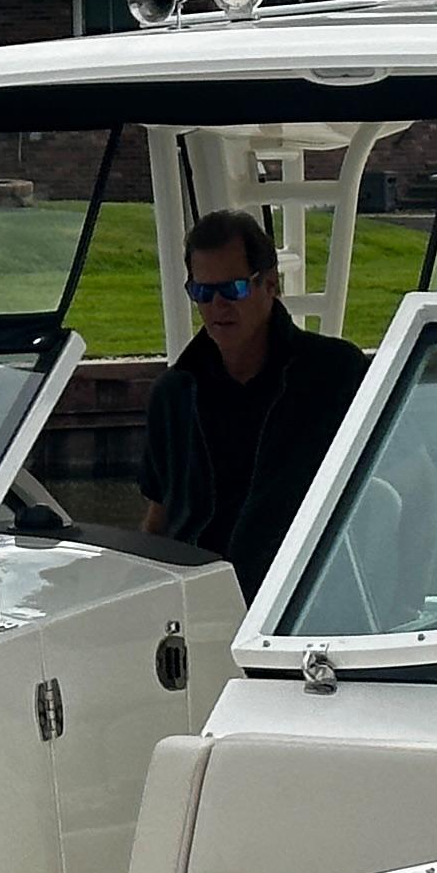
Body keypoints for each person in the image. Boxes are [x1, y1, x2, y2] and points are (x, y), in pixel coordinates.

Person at [138, 209, 369, 591]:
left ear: (270, 285)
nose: (216, 306)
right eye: (202, 292)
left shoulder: (336, 374)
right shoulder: (173, 394)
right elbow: (159, 518)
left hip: (302, 601)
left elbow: (408, 487)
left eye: (233, 290)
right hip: (200, 603)